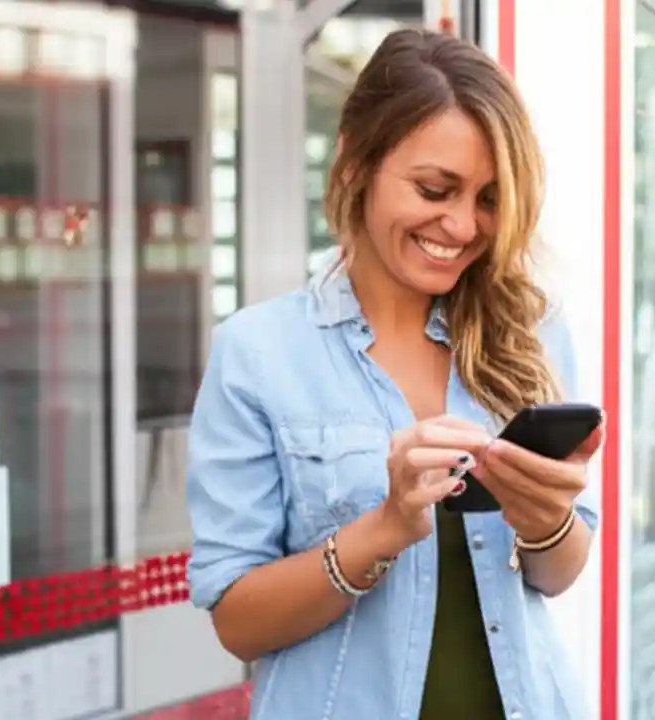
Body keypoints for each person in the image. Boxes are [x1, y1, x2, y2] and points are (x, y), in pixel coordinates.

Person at [185, 28, 603, 720]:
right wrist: (384, 527)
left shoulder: (529, 332)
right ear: (355, 163)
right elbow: (238, 621)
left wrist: (549, 520)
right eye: (435, 188)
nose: (464, 225)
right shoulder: (258, 353)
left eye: (489, 199)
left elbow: (556, 575)